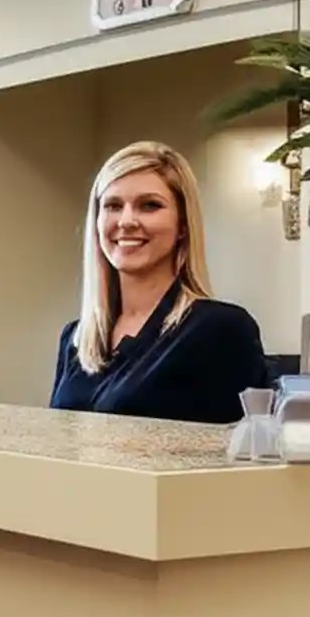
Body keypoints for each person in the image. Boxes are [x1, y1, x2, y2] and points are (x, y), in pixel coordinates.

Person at [50, 141, 272, 424]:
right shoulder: (76, 337)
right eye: (113, 206)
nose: (127, 221)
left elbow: (237, 455)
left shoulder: (220, 328)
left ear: (182, 225)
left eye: (149, 206)